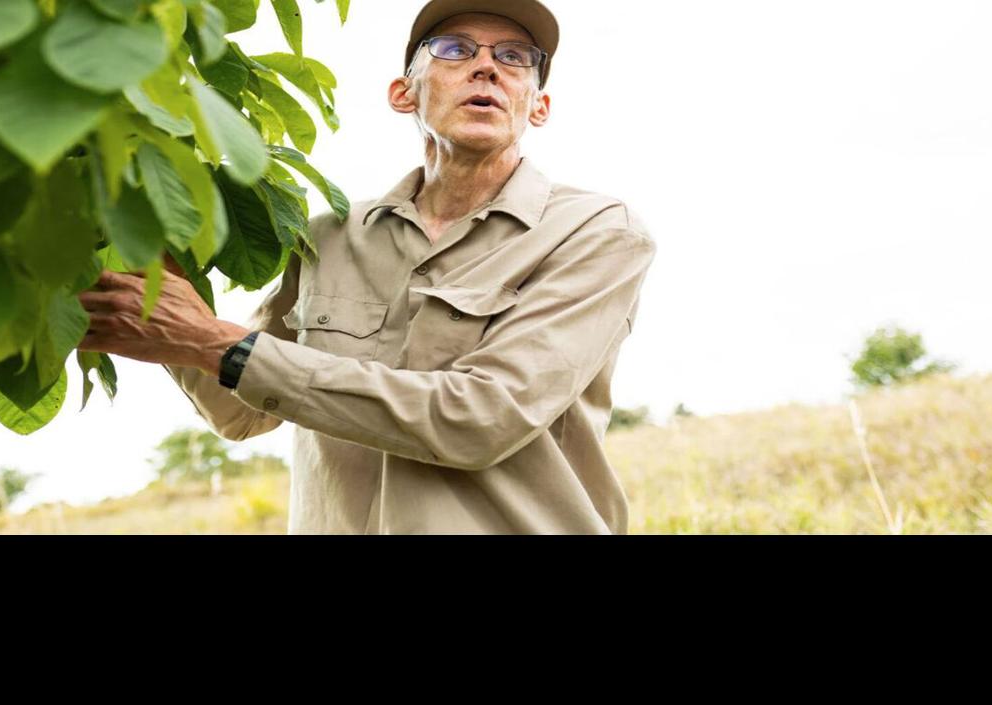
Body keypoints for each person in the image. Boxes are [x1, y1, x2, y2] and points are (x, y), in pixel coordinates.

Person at [77, 0, 658, 534]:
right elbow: (238, 410)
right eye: (455, 49)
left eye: (515, 57)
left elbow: (482, 417)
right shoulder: (328, 234)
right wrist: (157, 283)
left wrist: (214, 342)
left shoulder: (598, 232)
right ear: (404, 93)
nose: (487, 68)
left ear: (539, 104)